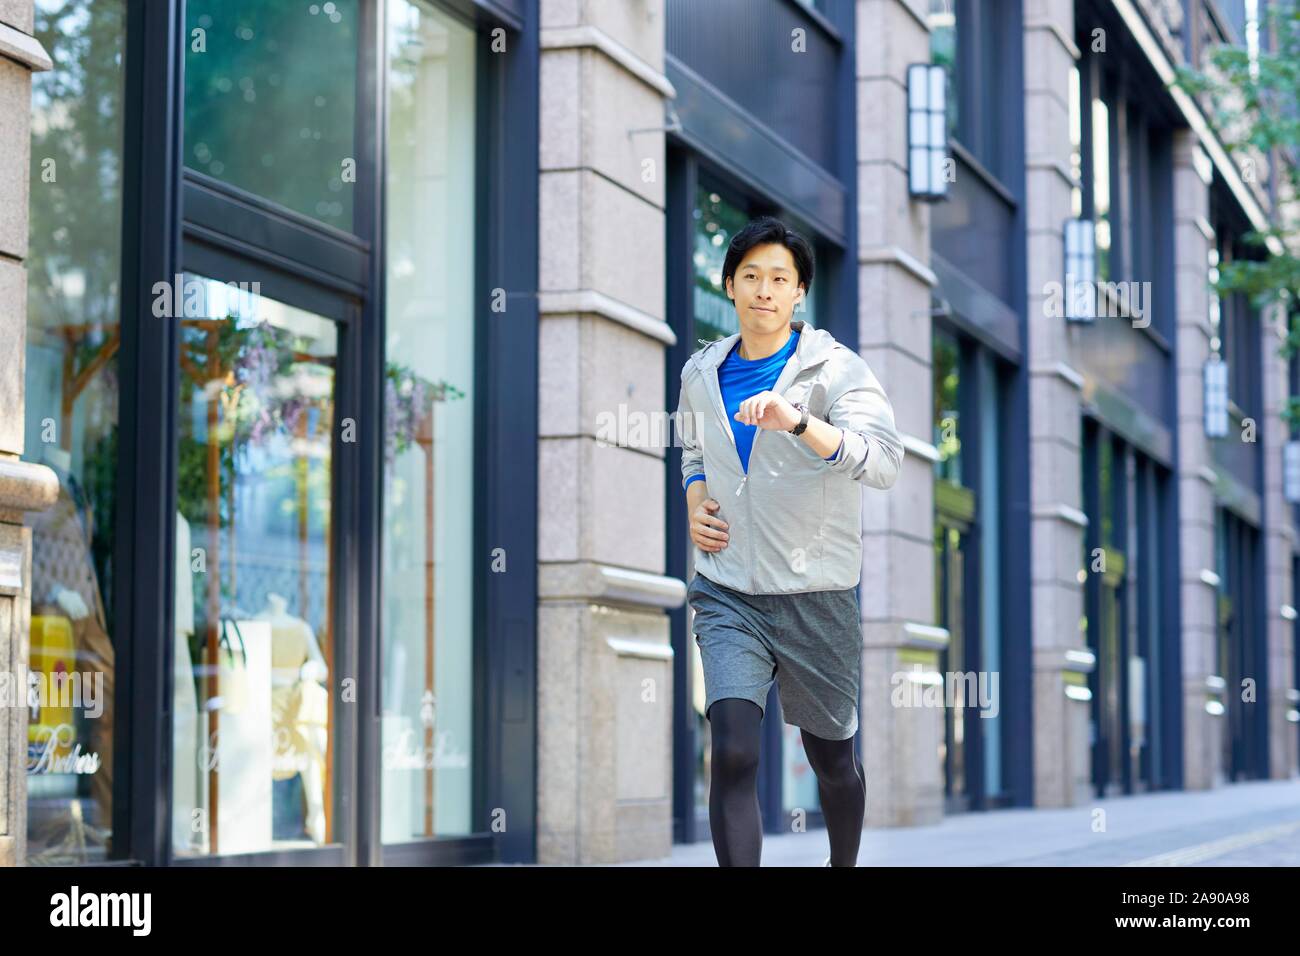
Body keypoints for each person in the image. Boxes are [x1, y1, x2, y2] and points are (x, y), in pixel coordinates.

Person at [676, 216, 903, 866]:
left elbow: (883, 462)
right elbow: (695, 450)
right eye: (751, 276)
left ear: (799, 290)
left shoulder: (835, 370)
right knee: (735, 751)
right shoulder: (701, 372)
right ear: (729, 284)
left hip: (817, 595)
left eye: (779, 278)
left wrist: (801, 423)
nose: (764, 290)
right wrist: (695, 501)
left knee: (831, 760)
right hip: (729, 591)